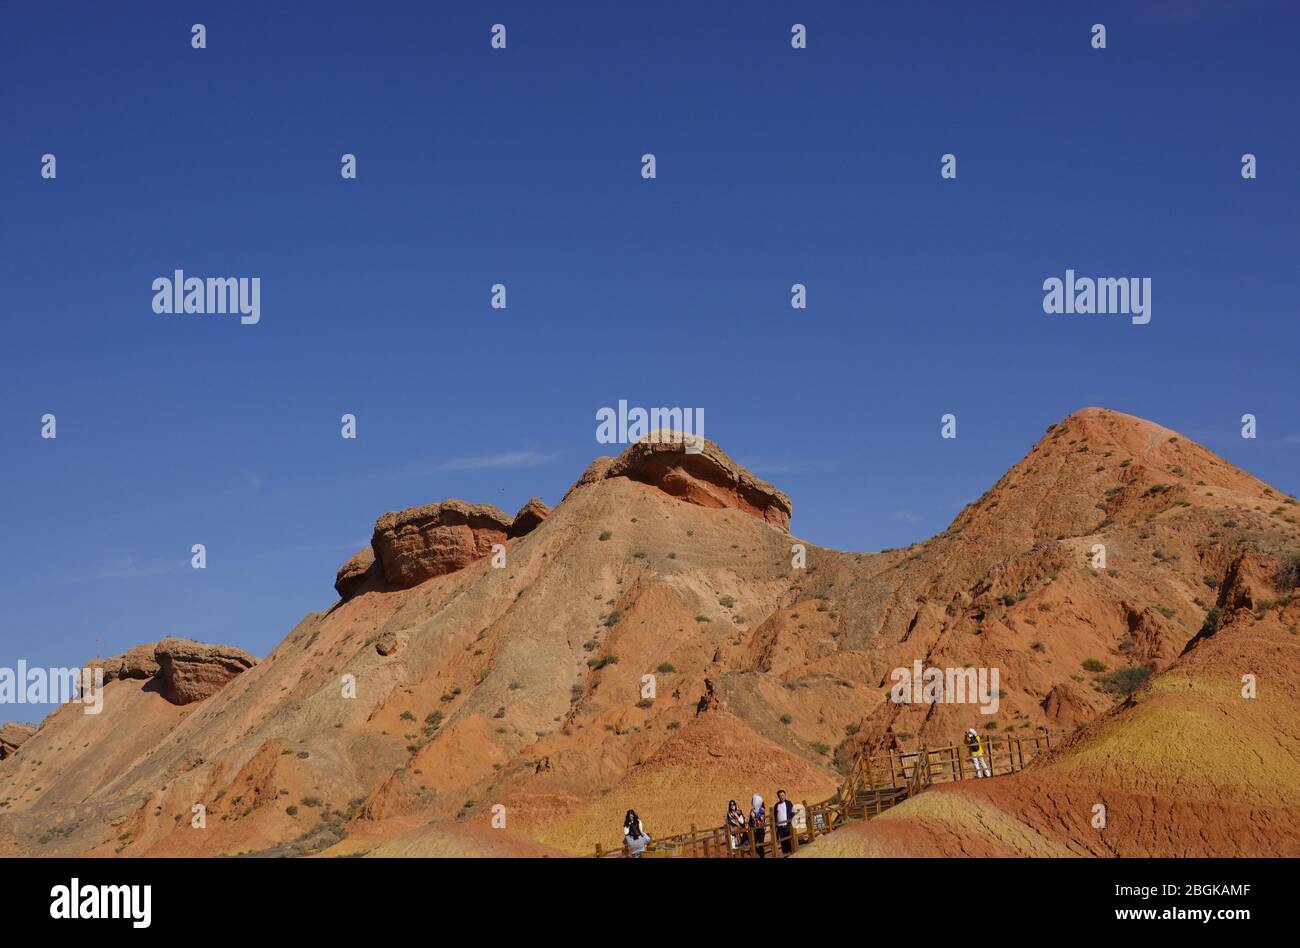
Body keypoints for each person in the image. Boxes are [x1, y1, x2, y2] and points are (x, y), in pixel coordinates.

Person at [772, 789, 796, 854]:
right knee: (782, 841)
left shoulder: (789, 803)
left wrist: (791, 821)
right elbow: (775, 815)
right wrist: (776, 825)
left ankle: (791, 853)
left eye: (783, 795)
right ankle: (785, 854)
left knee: (789, 839)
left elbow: (793, 812)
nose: (782, 797)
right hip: (780, 826)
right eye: (780, 796)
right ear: (778, 797)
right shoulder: (776, 805)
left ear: (785, 795)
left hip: (787, 825)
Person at [748, 793, 767, 857]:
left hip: (760, 829)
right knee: (754, 844)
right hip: (754, 829)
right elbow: (750, 820)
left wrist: (755, 815)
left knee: (760, 844)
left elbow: (762, 818)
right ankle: (760, 855)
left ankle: (762, 856)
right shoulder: (751, 810)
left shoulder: (762, 809)